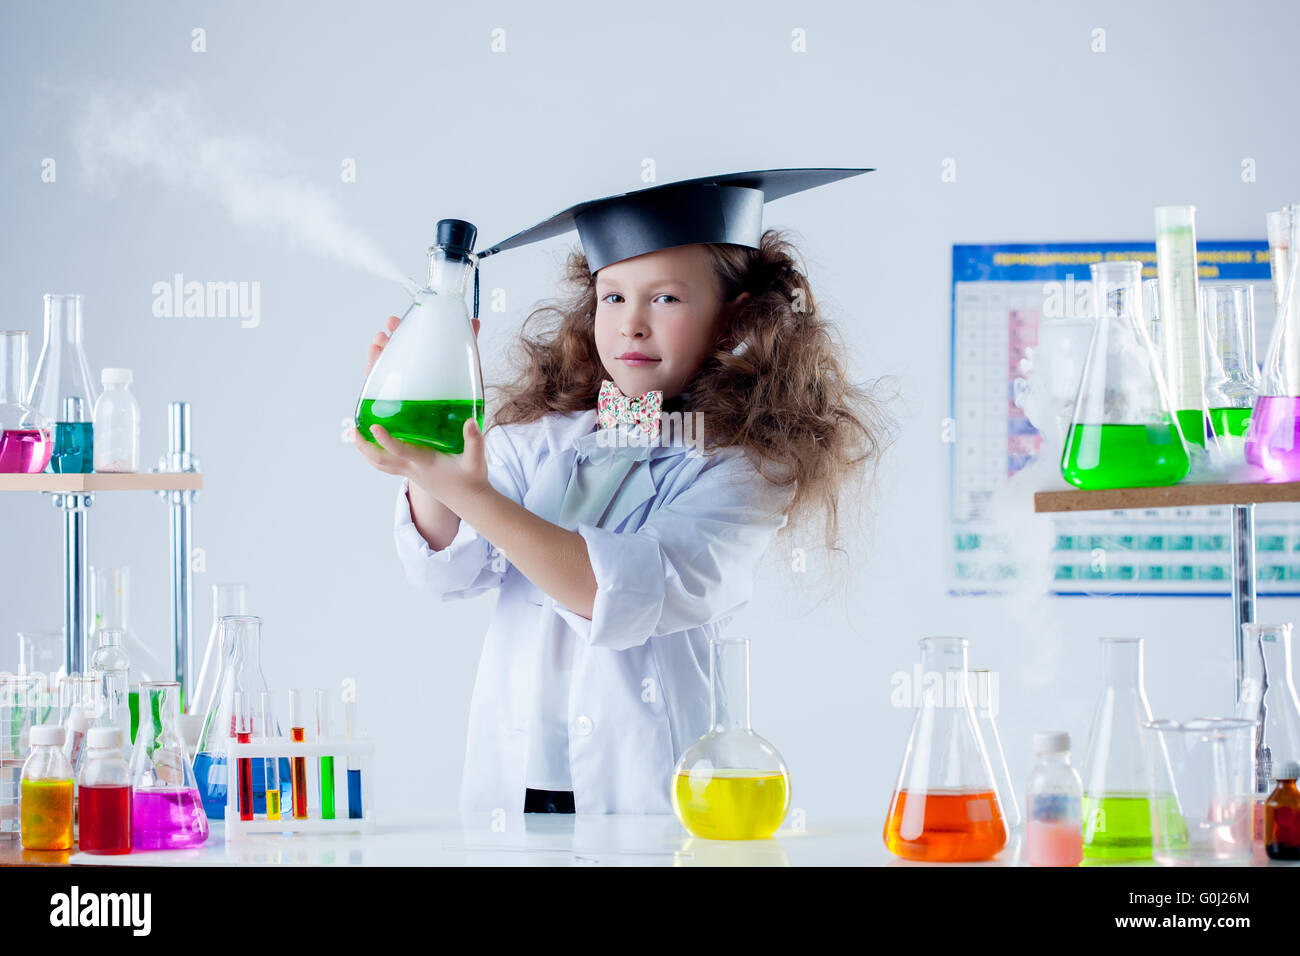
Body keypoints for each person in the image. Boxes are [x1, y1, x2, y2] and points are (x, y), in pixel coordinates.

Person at [354, 169, 890, 814]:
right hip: (516, 779)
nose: (632, 325)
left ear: (735, 319)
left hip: (648, 788)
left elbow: (623, 590)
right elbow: (451, 567)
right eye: (613, 298)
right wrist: (431, 450)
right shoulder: (542, 440)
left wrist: (470, 495)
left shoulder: (742, 471)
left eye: (665, 299)